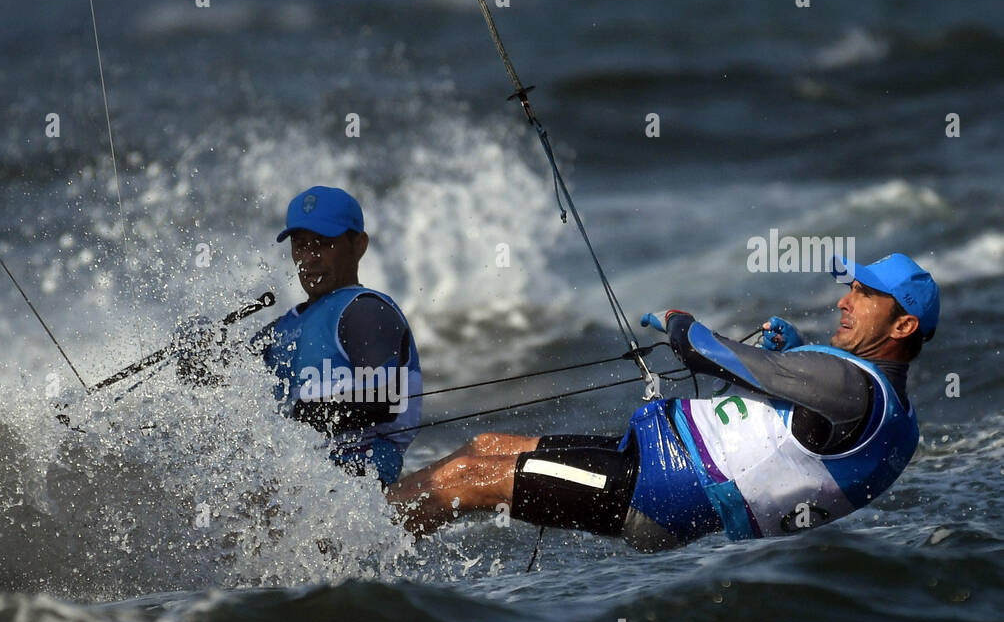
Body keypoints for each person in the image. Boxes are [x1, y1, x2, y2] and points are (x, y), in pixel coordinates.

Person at [388, 253, 939, 549]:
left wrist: (684, 327)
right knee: (486, 446)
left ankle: (342, 551)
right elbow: (810, 437)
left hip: (656, 489)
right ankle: (363, 523)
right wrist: (798, 359)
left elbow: (720, 358)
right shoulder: (891, 413)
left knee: (465, 478)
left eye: (866, 295)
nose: (847, 300)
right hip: (656, 464)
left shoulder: (847, 388)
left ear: (904, 323)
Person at [257, 185, 422, 484]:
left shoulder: (365, 312)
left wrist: (300, 414)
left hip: (360, 474)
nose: (310, 258)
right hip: (303, 477)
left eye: (323, 243)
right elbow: (226, 385)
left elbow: (386, 400)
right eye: (301, 245)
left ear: (359, 245)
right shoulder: (283, 327)